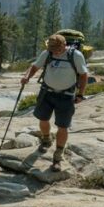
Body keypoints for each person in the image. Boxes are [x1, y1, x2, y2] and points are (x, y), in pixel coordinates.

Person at [20, 33, 89, 171]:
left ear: (64, 45)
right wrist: (26, 77)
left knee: (62, 126)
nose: (54, 51)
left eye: (57, 49)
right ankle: (46, 138)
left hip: (66, 95)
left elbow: (83, 75)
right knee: (43, 119)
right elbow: (34, 67)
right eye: (52, 49)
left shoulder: (75, 55)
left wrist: (80, 94)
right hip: (47, 92)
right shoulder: (47, 53)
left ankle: (58, 156)